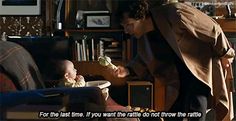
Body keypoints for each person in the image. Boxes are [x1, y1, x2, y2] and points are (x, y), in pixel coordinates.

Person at [111, 0, 235, 121]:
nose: (126, 31)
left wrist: (226, 54)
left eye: (129, 25)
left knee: (196, 111)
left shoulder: (175, 13)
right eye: (124, 27)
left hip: (200, 72)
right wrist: (127, 70)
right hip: (177, 79)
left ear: (141, 16)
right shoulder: (144, 35)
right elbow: (145, 57)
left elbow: (213, 29)